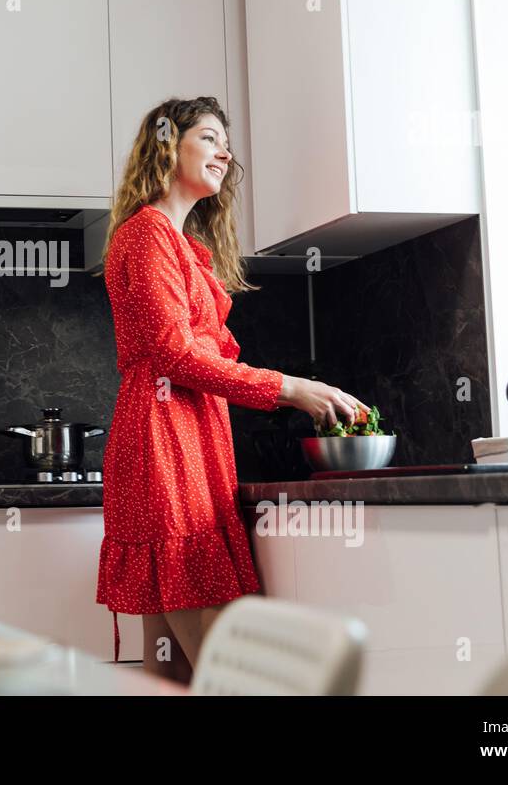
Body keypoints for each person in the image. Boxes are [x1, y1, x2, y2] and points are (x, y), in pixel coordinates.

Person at [96, 95, 368, 684]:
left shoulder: (178, 244)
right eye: (210, 138)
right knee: (234, 670)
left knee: (171, 672)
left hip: (185, 442)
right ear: (168, 145)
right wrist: (290, 387)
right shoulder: (146, 236)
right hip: (165, 446)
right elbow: (175, 354)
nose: (225, 152)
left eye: (225, 142)